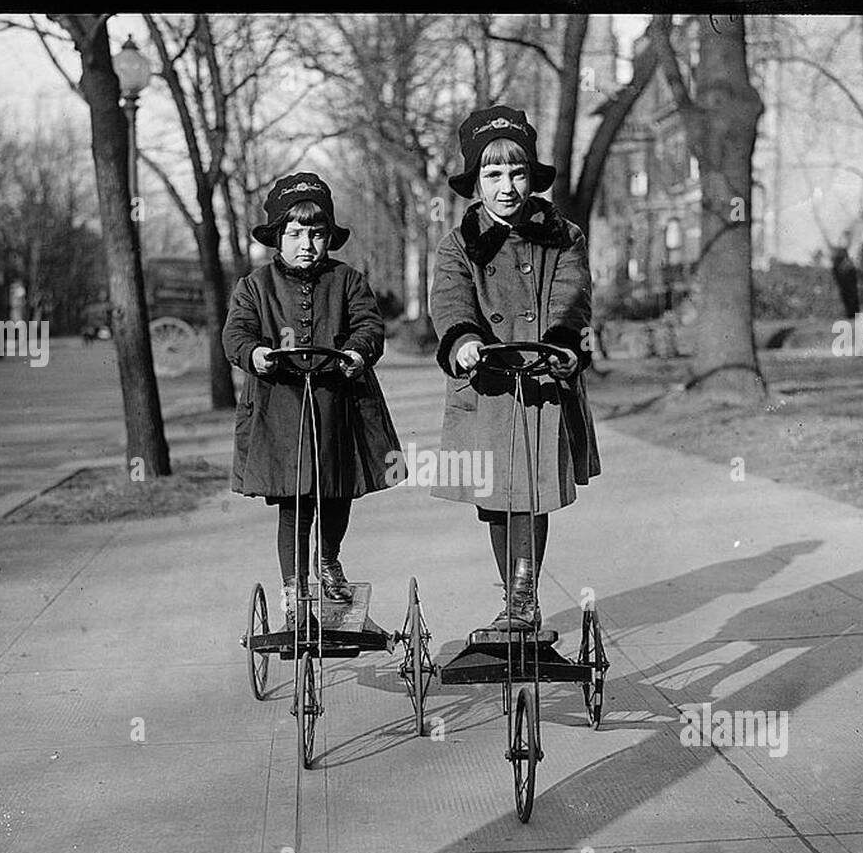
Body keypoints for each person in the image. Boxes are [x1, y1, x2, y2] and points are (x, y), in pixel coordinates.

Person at [430, 105, 601, 631]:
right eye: (493, 174)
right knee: (496, 500)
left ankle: (523, 598)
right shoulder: (460, 244)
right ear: (476, 181)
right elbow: (451, 299)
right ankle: (514, 593)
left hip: (543, 382)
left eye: (517, 173)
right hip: (488, 386)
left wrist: (564, 343)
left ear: (532, 177)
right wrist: (462, 339)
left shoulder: (562, 236)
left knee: (532, 492)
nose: (507, 187)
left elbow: (572, 295)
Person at [222, 172, 403, 630]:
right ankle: (293, 587)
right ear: (277, 238)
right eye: (296, 234)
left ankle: (328, 559)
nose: (307, 244)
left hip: (338, 405)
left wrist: (357, 352)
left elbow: (369, 327)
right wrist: (255, 353)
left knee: (338, 492)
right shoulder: (255, 286)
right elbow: (236, 332)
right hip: (280, 408)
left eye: (317, 234)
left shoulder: (348, 280)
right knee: (293, 501)